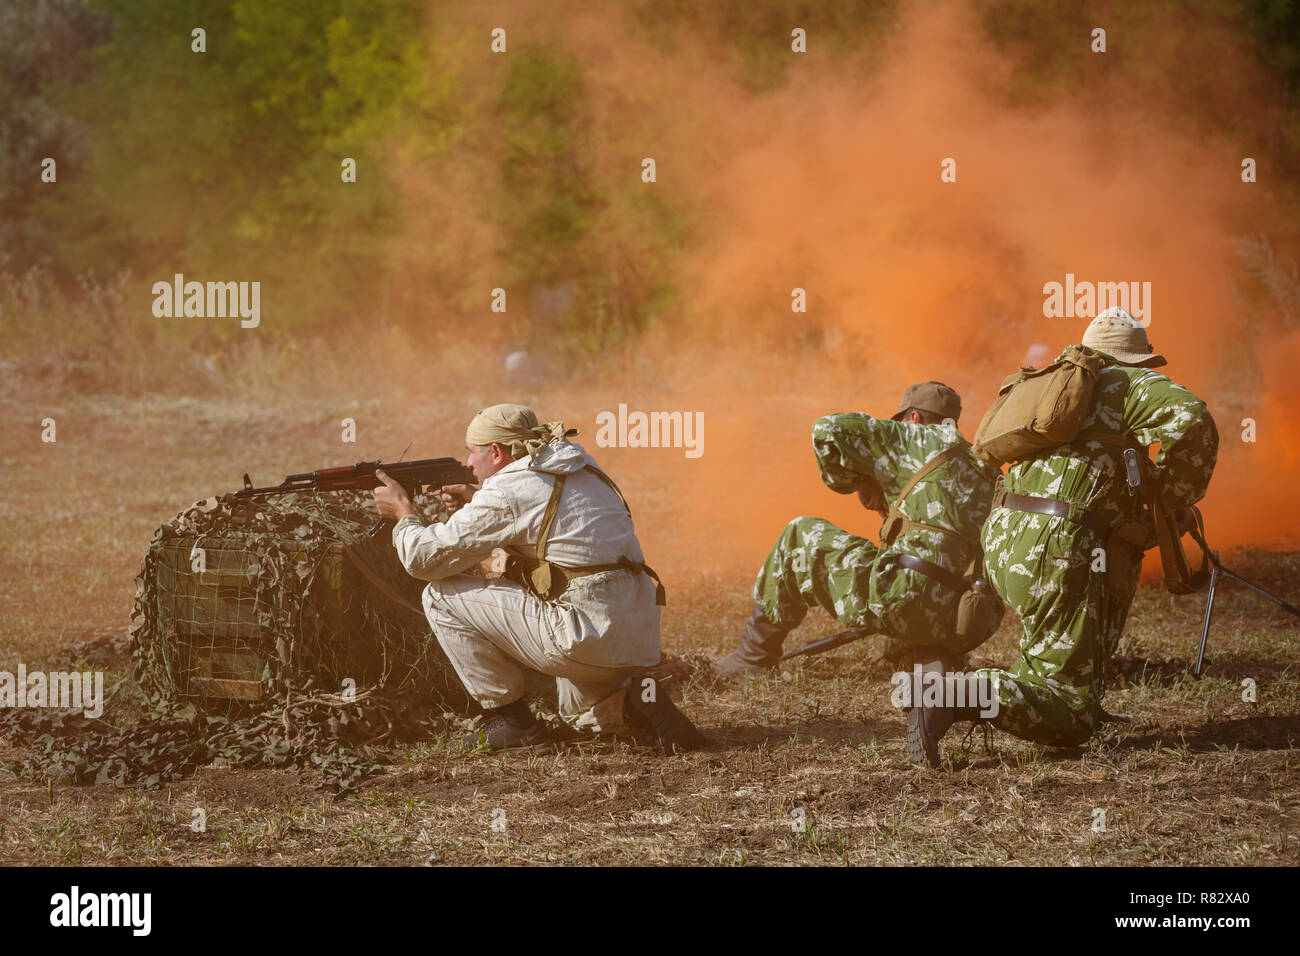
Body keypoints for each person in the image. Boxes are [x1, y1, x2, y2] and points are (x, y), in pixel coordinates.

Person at [910, 308, 1219, 765]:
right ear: (1134, 357)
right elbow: (1193, 419)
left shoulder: (1052, 387)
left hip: (1008, 537)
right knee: (1071, 719)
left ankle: (1072, 691)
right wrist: (1173, 495)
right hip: (1059, 546)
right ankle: (951, 693)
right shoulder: (1130, 384)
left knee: (1069, 663)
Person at [372, 403, 704, 754]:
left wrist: (404, 513)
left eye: (472, 453)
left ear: (496, 453)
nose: (468, 463)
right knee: (577, 714)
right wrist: (477, 502)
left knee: (439, 595)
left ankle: (512, 721)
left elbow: (424, 560)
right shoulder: (582, 465)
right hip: (636, 638)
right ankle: (638, 704)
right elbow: (540, 518)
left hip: (583, 635)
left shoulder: (507, 491)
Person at [711, 382, 1001, 685]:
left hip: (913, 603)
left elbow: (827, 430)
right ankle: (933, 656)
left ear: (912, 418)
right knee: (922, 585)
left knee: (800, 536)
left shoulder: (913, 436)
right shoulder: (984, 464)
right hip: (972, 621)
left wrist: (860, 482)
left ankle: (753, 656)